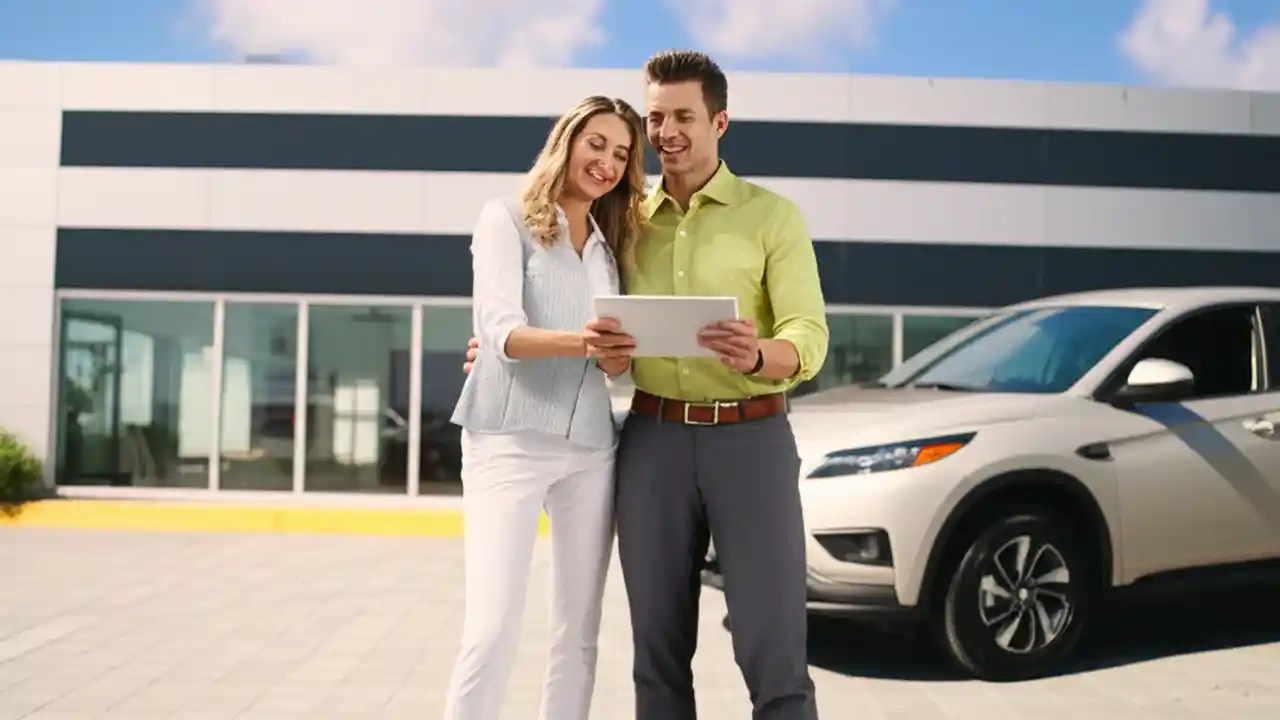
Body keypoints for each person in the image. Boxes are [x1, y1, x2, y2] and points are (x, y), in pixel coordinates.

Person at [464, 50, 829, 719]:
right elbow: (571, 304)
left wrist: (758, 353)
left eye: (683, 116)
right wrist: (496, 349)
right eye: (656, 117)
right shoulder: (624, 220)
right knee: (656, 657)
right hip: (651, 441)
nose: (667, 131)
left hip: (749, 440)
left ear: (720, 121)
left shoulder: (772, 217)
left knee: (772, 648)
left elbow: (810, 337)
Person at [442, 94, 647, 720]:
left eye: (621, 154)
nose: (607, 163)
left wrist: (616, 358)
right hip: (508, 441)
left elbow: (617, 364)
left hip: (591, 449)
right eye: (597, 144)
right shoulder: (505, 219)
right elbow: (501, 332)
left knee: (579, 630)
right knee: (492, 627)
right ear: (567, 142)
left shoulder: (608, 250)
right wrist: (583, 341)